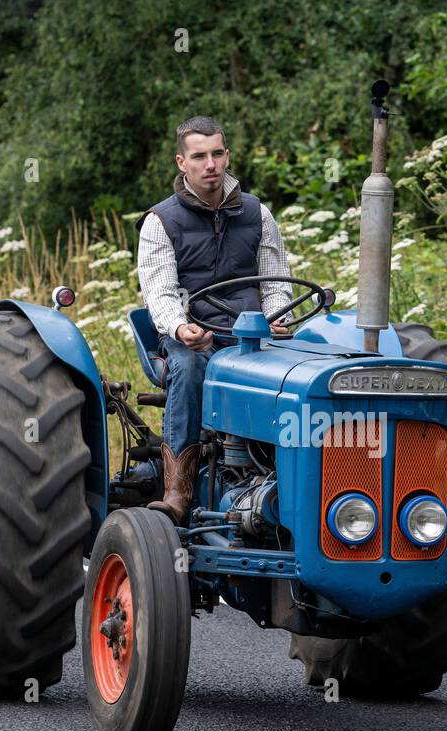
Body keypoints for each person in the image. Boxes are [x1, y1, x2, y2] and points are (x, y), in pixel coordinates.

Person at [135, 116, 292, 523]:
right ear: (181, 162)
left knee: (300, 370)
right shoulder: (160, 222)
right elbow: (161, 293)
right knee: (187, 368)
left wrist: (274, 318)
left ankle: (289, 481)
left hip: (251, 334)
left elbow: (276, 279)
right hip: (195, 333)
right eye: (199, 156)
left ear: (227, 156)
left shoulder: (258, 214)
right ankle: (178, 490)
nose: (210, 164)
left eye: (217, 154)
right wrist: (180, 327)